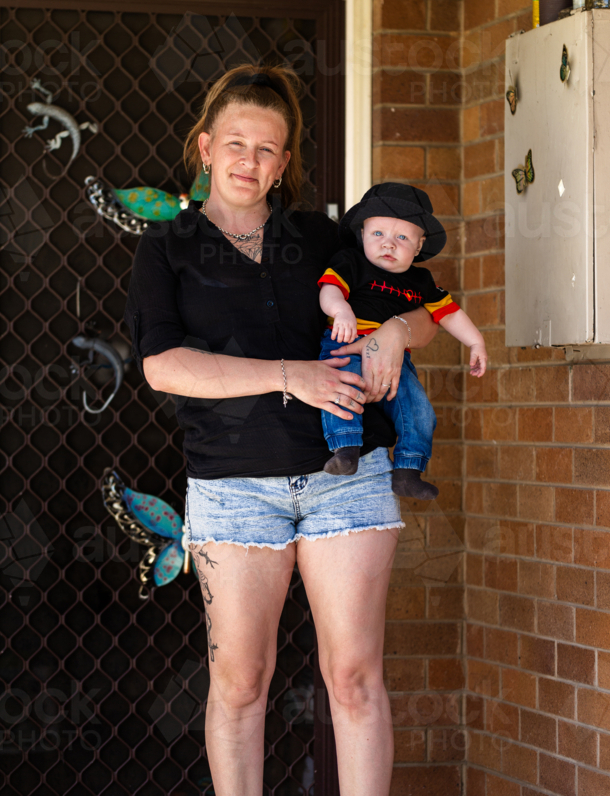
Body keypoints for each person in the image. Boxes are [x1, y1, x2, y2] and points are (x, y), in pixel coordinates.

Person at [124, 63, 438, 796]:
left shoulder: (323, 236)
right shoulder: (166, 247)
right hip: (233, 489)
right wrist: (291, 373)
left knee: (354, 677)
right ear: (204, 148)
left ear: (284, 161)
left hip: (347, 479)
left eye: (266, 149)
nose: (248, 162)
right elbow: (164, 367)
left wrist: (393, 330)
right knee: (239, 683)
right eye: (235, 144)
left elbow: (424, 305)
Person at [318, 182, 487, 500]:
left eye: (403, 238)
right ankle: (345, 451)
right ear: (363, 233)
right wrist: (340, 310)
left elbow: (448, 313)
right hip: (346, 342)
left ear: (419, 245)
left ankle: (408, 470)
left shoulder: (420, 281)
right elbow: (329, 289)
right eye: (378, 234)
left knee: (419, 409)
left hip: (396, 360)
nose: (389, 245)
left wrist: (476, 342)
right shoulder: (351, 262)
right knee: (341, 392)